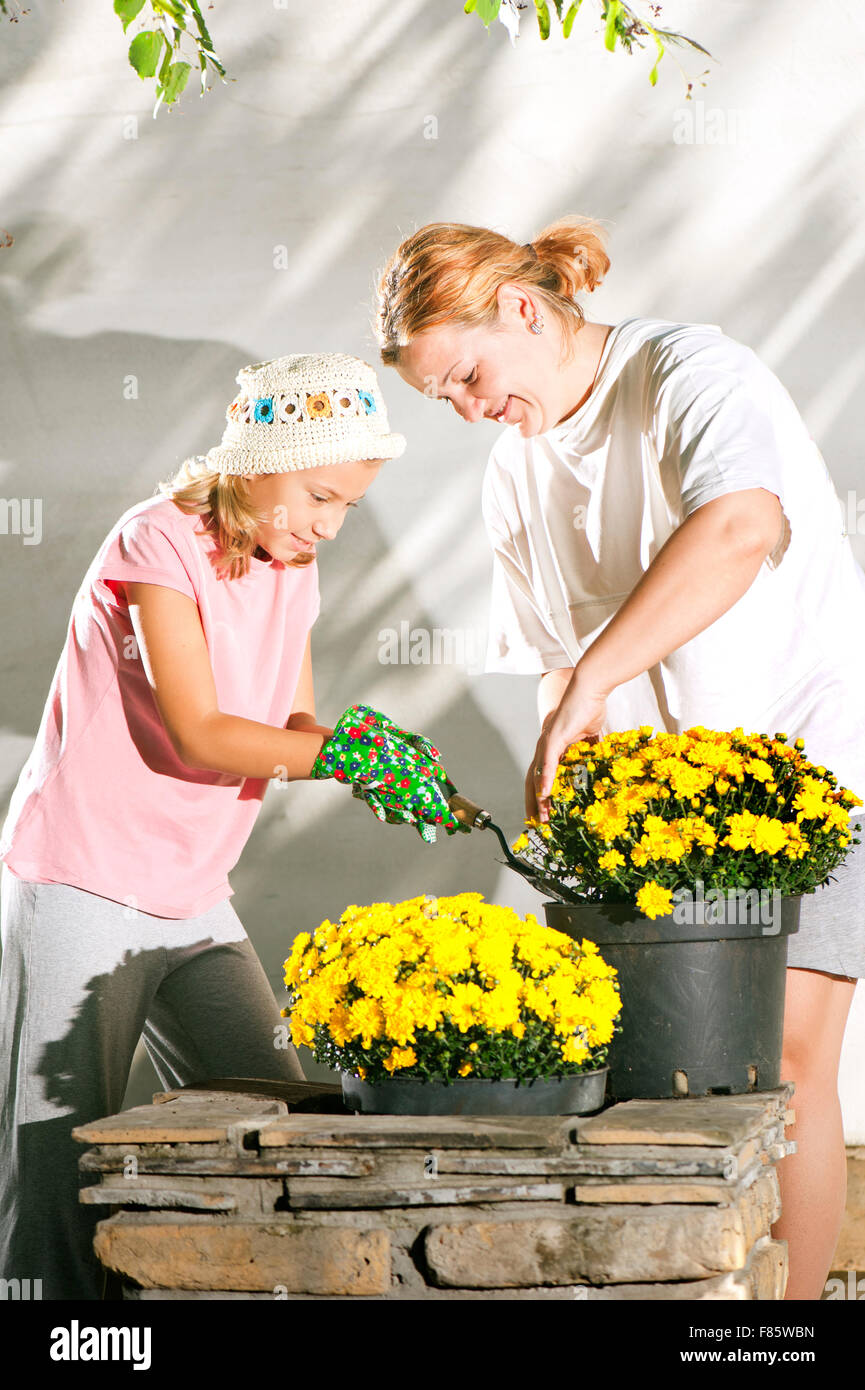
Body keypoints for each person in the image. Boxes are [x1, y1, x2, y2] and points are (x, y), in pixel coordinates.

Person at [373, 215, 865, 1300]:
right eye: (441, 399)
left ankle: (786, 1324)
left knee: (784, 1064)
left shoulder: (689, 371)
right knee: (669, 1076)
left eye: (464, 376)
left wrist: (593, 678)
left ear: (520, 308)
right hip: (660, 810)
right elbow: (560, 671)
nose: (467, 408)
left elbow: (739, 524)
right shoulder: (513, 473)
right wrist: (565, 801)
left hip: (811, 773)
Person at [0, 351, 462, 1300]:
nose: (329, 526)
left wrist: (365, 747)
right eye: (318, 496)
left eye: (347, 507)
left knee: (279, 1121)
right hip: (82, 879)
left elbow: (288, 727)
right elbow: (202, 729)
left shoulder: (292, 568)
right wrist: (340, 757)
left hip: (191, 891)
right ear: (259, 460)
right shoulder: (154, 544)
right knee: (54, 1164)